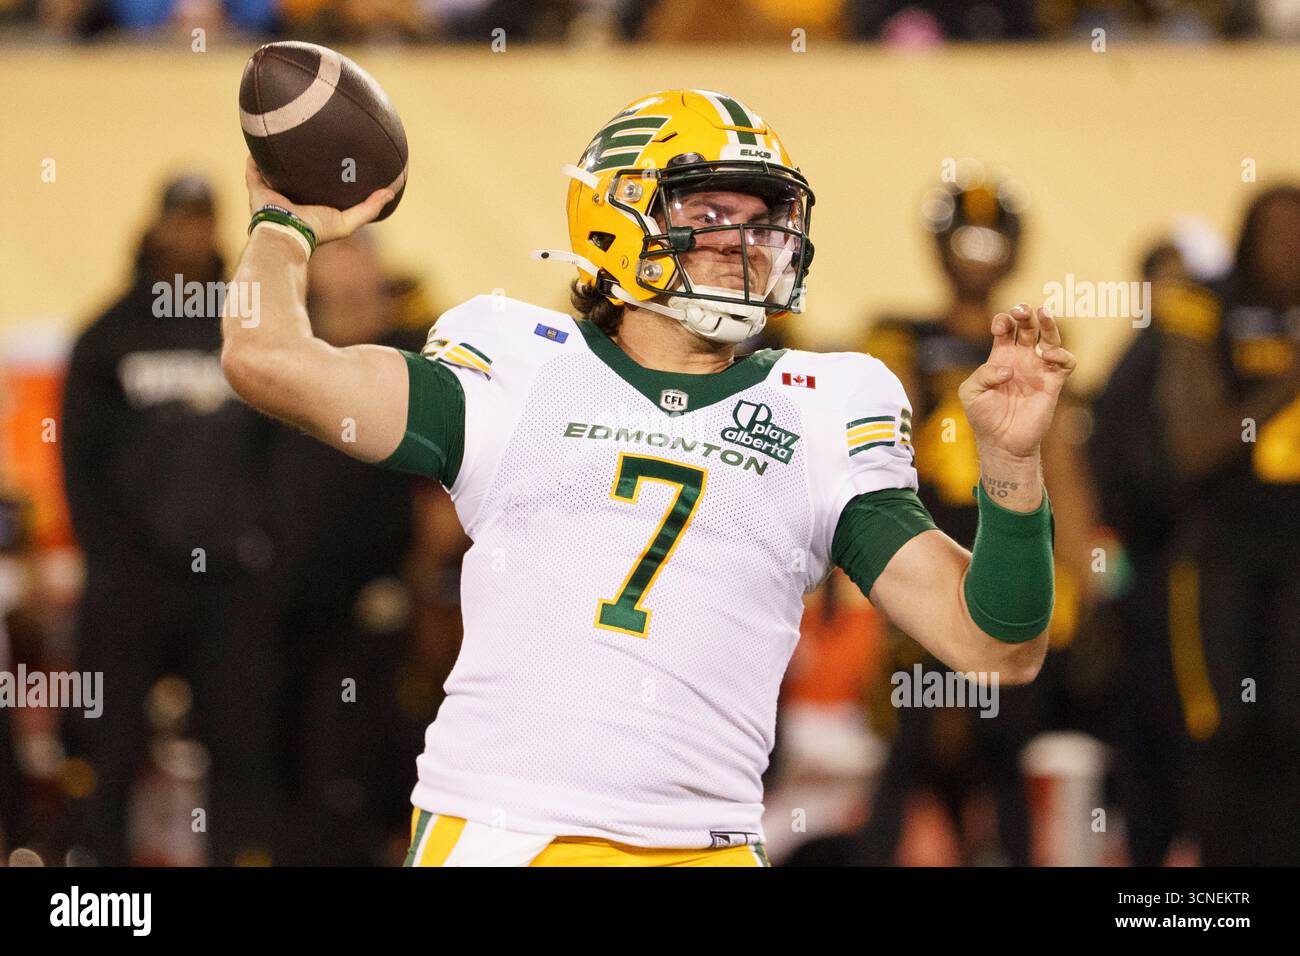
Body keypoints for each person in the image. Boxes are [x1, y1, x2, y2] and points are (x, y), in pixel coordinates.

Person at [220, 89, 1071, 867]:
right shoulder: (518, 363)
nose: (745, 243)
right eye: (709, 212)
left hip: (709, 845)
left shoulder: (820, 408)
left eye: (763, 219)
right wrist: (281, 228)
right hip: (509, 831)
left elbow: (995, 644)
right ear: (617, 215)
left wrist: (1011, 469)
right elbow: (269, 359)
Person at [854, 175, 1099, 865]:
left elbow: (1064, 462)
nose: (977, 256)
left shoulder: (1035, 340)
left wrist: (1081, 572)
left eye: (991, 242)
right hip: (920, 561)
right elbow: (880, 451)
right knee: (909, 746)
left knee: (1006, 746)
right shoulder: (899, 335)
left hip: (1008, 552)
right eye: (966, 240)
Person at [60, 176, 289, 866]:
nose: (191, 237)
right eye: (180, 222)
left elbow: (283, 449)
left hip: (231, 584)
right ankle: (96, 890)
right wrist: (112, 562)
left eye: (203, 222)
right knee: (110, 748)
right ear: (157, 226)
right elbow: (79, 462)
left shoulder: (249, 326)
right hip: (132, 585)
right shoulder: (109, 334)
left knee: (242, 750)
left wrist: (263, 547)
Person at [1156, 185, 1300, 865]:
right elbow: (1194, 442)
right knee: (1222, 727)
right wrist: (1287, 384)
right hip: (1222, 557)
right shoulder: (1208, 305)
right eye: (1276, 233)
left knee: (1289, 725)